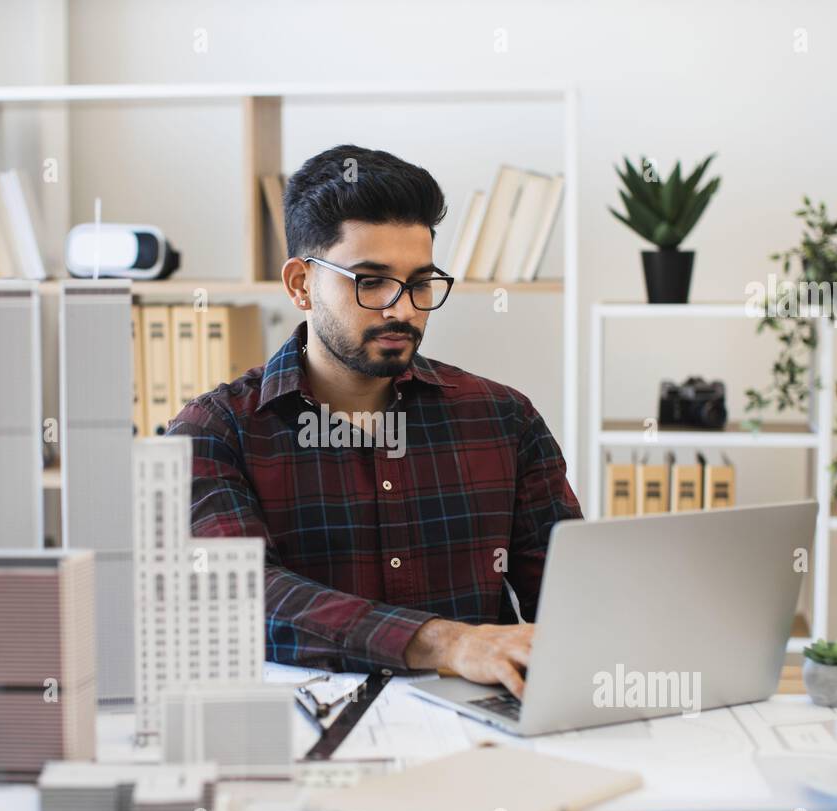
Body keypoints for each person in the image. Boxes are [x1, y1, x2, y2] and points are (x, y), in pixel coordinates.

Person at [168, 144, 581, 698]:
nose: (403, 309)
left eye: (420, 282)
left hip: (480, 734)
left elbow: (570, 596)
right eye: (370, 281)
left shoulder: (503, 417)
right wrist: (447, 643)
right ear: (300, 285)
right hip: (302, 746)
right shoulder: (214, 432)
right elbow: (240, 596)